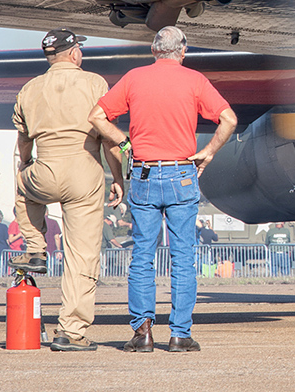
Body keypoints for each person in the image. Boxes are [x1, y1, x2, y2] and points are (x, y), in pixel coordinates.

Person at [89, 25, 237, 354]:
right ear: (182, 52)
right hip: (182, 173)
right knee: (183, 257)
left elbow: (97, 116)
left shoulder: (134, 78)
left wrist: (124, 142)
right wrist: (209, 151)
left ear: (154, 51)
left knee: (143, 256)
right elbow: (228, 119)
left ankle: (142, 333)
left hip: (143, 173)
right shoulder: (195, 80)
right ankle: (180, 335)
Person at [9, 27, 123, 351]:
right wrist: (118, 179)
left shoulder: (29, 89)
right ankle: (70, 332)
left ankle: (35, 249)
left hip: (44, 166)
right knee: (82, 257)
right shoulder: (94, 82)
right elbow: (109, 139)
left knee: (22, 184)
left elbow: (23, 138)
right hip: (83, 171)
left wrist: (26, 164)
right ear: (74, 53)